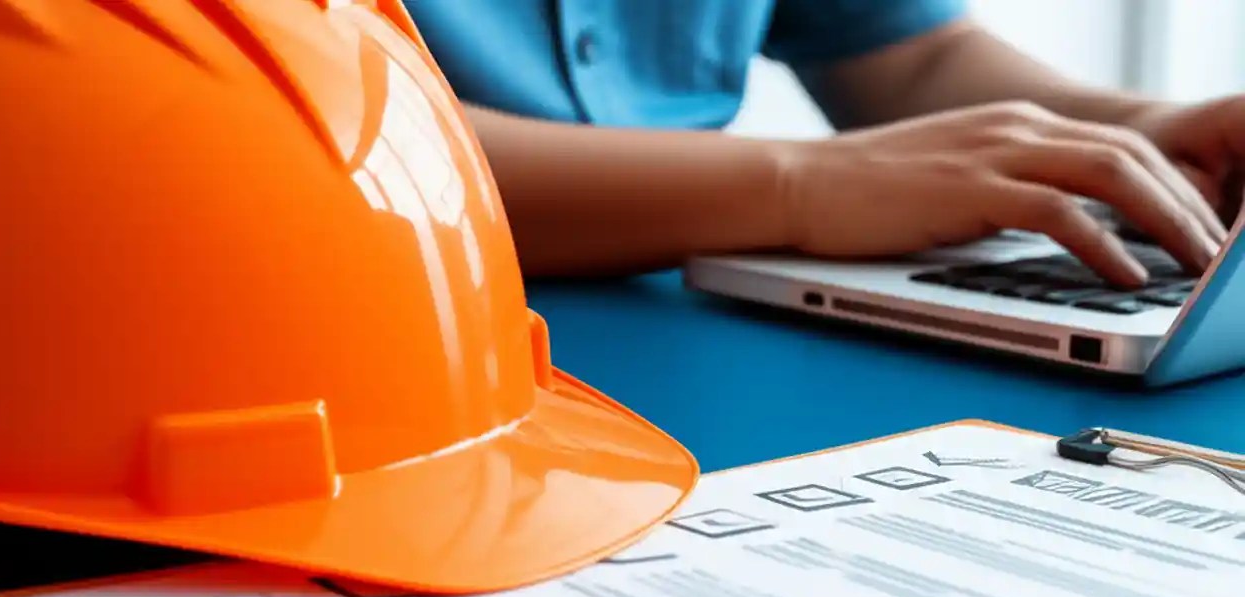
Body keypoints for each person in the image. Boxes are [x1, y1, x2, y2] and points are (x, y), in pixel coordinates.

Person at [404, 1, 1245, 288]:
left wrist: (1135, 131)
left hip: (684, 310)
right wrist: (803, 187)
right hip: (396, 342)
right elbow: (344, 152)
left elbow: (911, 54)